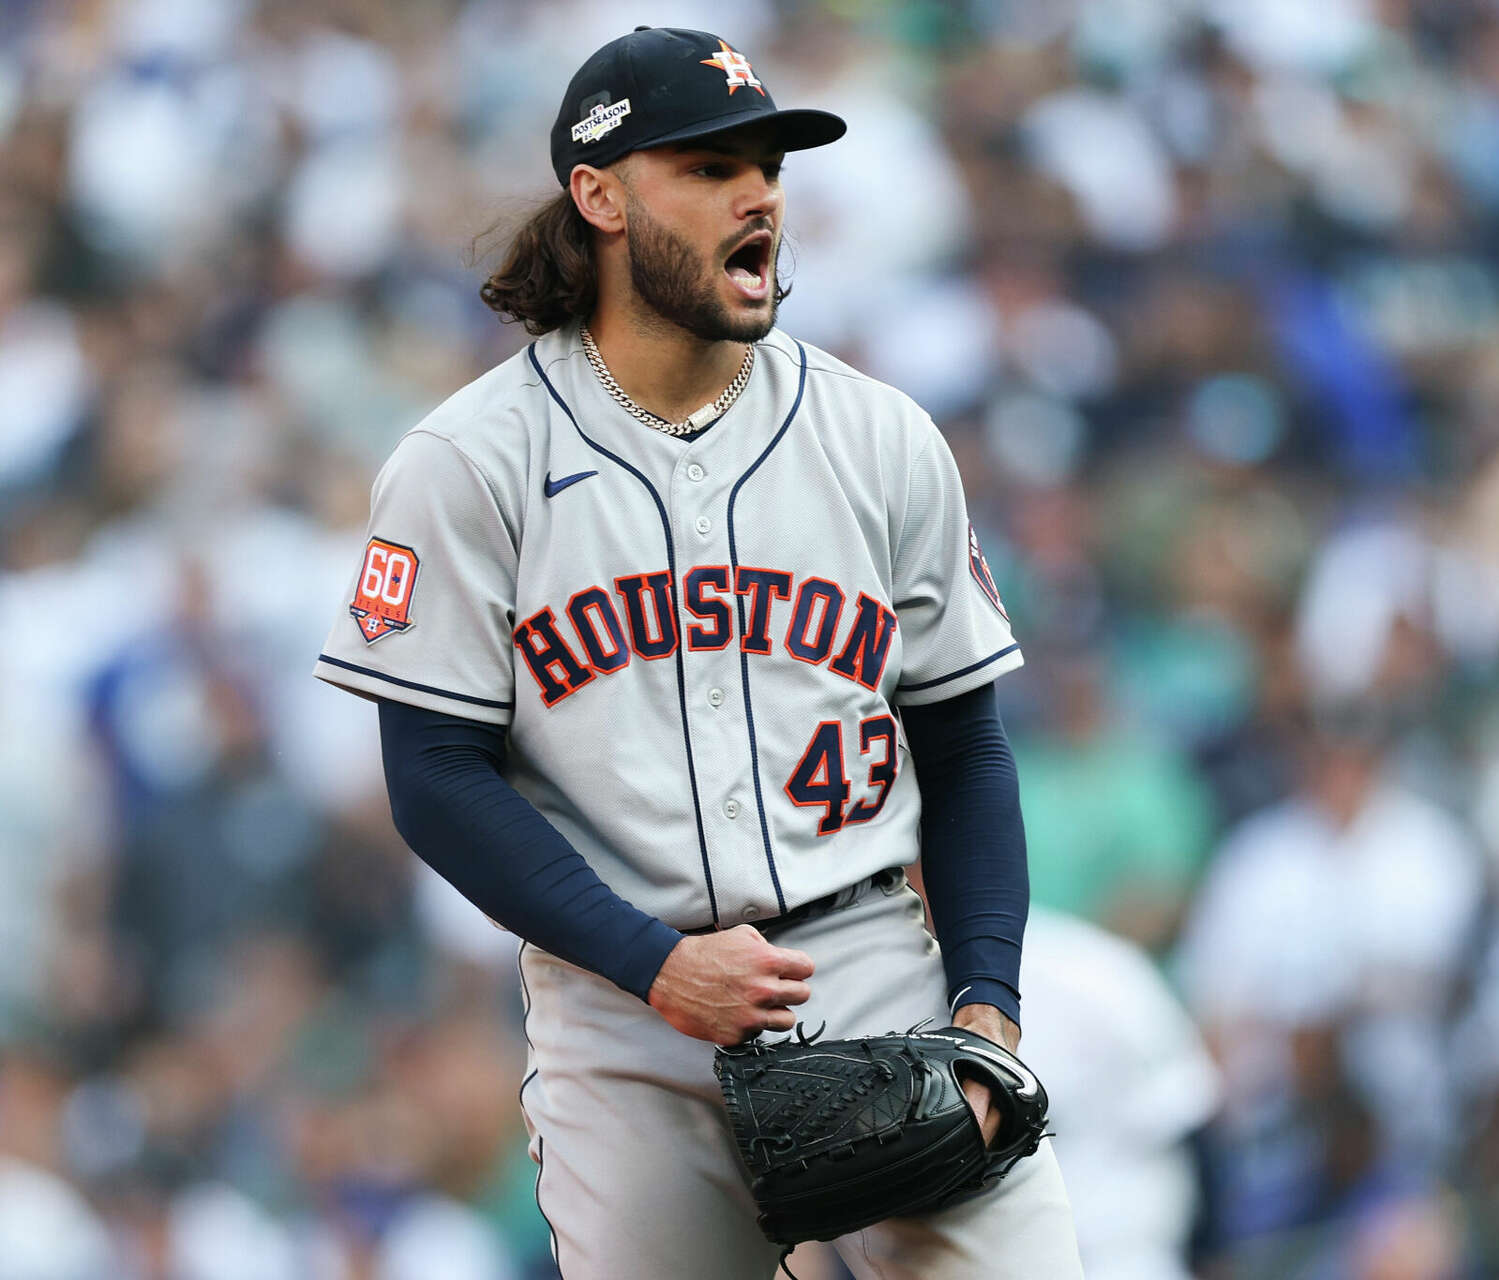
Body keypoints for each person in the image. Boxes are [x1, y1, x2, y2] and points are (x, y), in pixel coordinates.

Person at [310, 26, 1080, 1279]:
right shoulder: (468, 464)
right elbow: (434, 777)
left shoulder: (878, 436)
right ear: (600, 196)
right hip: (625, 1020)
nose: (759, 192)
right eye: (711, 167)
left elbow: (964, 739)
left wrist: (986, 1004)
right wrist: (655, 965)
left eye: (768, 164)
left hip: (880, 970)